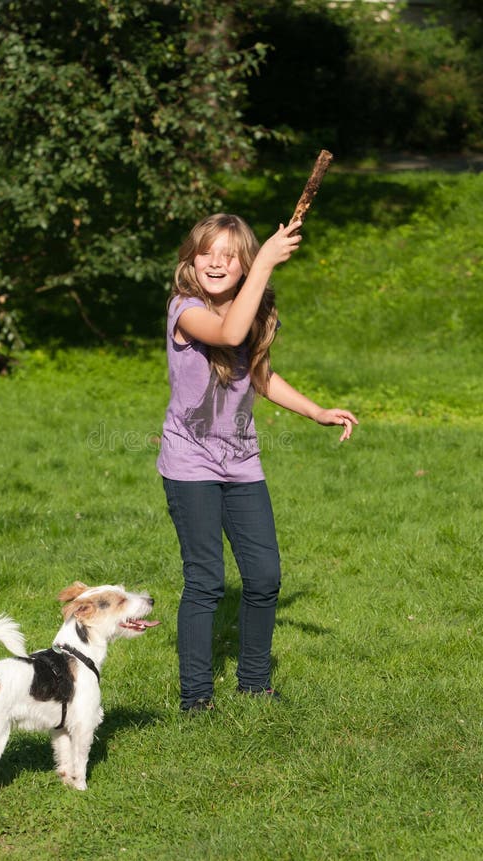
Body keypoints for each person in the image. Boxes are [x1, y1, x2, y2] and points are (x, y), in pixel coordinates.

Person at [157, 213, 358, 712]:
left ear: (244, 267)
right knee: (204, 579)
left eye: (232, 256)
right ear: (191, 258)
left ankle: (254, 682)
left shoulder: (253, 312)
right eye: (209, 252)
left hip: (242, 464)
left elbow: (260, 375)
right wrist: (265, 261)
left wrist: (315, 410)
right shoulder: (185, 309)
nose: (218, 263)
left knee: (265, 576)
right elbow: (227, 333)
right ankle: (196, 698)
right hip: (190, 465)